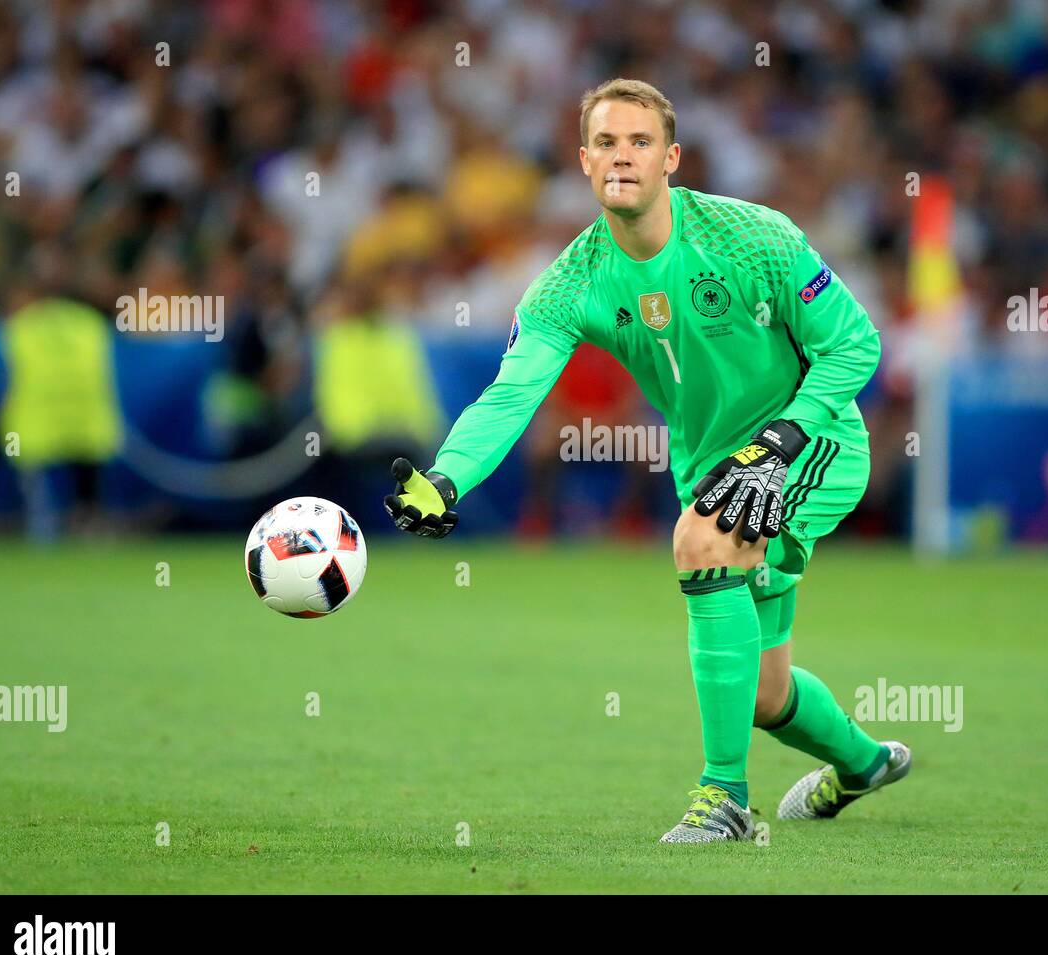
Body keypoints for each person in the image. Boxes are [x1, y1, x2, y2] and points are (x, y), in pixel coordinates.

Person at [383, 79, 910, 843]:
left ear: (671, 158)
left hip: (815, 444)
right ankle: (865, 763)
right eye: (605, 142)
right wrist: (446, 476)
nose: (621, 155)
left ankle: (724, 799)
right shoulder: (571, 283)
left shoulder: (754, 237)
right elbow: (512, 394)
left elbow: (855, 342)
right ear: (584, 161)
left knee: (699, 542)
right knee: (764, 697)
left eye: (638, 141)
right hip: (717, 467)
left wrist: (785, 438)